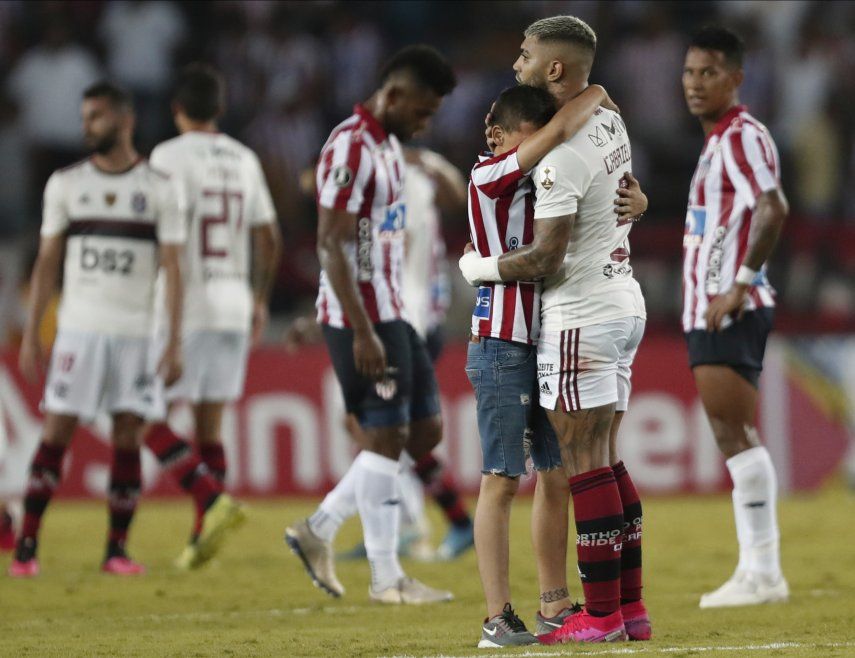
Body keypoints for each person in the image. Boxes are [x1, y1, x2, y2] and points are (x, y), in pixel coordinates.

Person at [460, 15, 651, 644]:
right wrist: (593, 97)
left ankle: (571, 606)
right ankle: (500, 615)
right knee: (505, 476)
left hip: (563, 323)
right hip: (506, 339)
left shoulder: (557, 154)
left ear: (555, 70)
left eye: (525, 54)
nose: (516, 61)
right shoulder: (498, 169)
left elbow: (546, 255)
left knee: (569, 470)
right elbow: (577, 122)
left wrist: (476, 264)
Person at [285, 45, 457, 605]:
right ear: (397, 94)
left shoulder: (387, 148)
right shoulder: (351, 146)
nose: (425, 123)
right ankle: (387, 577)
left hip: (392, 309)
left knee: (425, 430)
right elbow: (331, 240)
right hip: (363, 316)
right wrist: (356, 328)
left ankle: (321, 527)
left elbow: (364, 241)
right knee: (386, 436)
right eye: (424, 111)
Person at [10, 82, 185, 577]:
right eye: (85, 117)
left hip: (135, 332)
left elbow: (174, 269)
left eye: (96, 117)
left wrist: (171, 341)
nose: (86, 126)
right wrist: (30, 332)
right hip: (79, 330)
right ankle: (26, 550)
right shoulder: (65, 183)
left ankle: (116, 551)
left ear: (125, 121)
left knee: (128, 433)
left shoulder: (160, 187)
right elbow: (47, 263)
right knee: (57, 430)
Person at [143, 63, 282, 569]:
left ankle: (209, 499)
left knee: (136, 413)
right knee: (209, 426)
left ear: (177, 110)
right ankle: (206, 532)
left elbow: (165, 241)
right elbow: (269, 237)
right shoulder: (244, 158)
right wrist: (260, 299)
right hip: (234, 304)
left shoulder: (165, 156)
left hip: (187, 304)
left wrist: (171, 330)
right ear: (220, 109)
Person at [681, 26, 789, 608]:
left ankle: (763, 570)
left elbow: (774, 206)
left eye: (709, 73)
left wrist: (741, 284)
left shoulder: (744, 135)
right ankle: (758, 569)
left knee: (736, 434)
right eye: (690, 72)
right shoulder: (719, 140)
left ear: (736, 78)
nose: (696, 84)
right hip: (712, 305)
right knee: (732, 435)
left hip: (729, 306)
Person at [340, 147, 475, 562]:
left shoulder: (403, 180)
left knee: (377, 425)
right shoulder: (408, 175)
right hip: (410, 318)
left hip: (405, 321)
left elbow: (397, 251)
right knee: (387, 428)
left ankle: (412, 525)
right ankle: (426, 523)